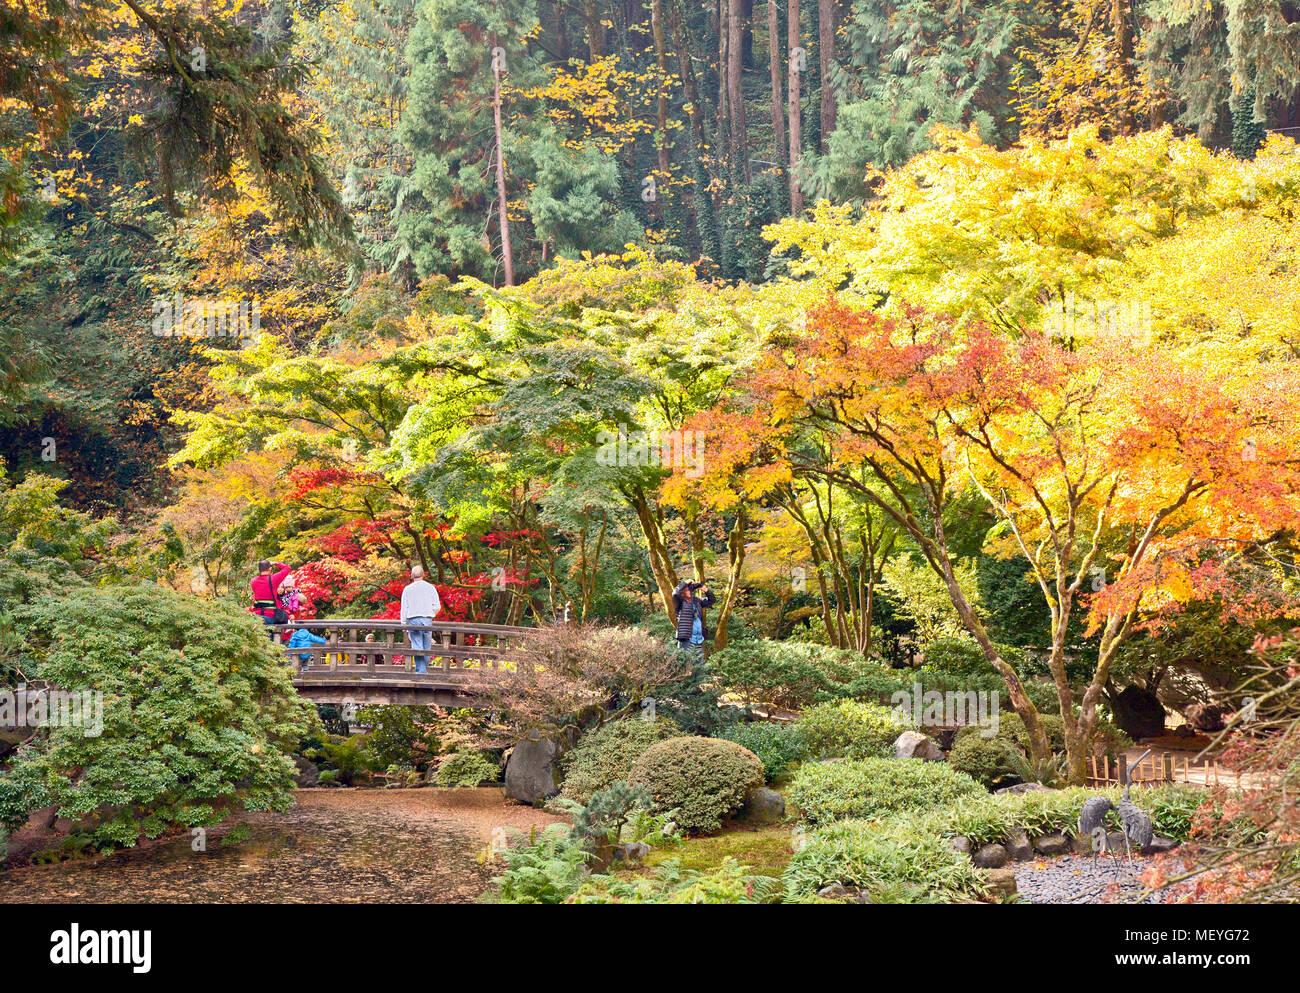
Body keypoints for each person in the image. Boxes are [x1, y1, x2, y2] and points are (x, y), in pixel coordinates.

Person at [400, 565, 442, 674]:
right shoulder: (430, 587)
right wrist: (430, 613)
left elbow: (404, 607)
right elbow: (437, 606)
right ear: (423, 574)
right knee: (426, 646)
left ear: (412, 575)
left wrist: (403, 623)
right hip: (427, 619)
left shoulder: (408, 589)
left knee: (417, 645)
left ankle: (421, 672)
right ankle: (423, 670)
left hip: (413, 619)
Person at [672, 579, 715, 657]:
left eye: (690, 590)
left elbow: (711, 601)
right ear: (682, 592)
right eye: (687, 590)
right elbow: (675, 593)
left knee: (699, 666)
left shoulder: (696, 601)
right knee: (686, 663)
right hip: (687, 639)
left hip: (699, 640)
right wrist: (686, 582)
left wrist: (706, 590)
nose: (690, 592)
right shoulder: (680, 602)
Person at [250, 560, 292, 639]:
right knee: (272, 643)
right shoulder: (273, 579)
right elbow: (287, 568)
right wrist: (276, 563)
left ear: (259, 570)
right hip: (270, 616)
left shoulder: (253, 581)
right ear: (270, 569)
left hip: (256, 617)